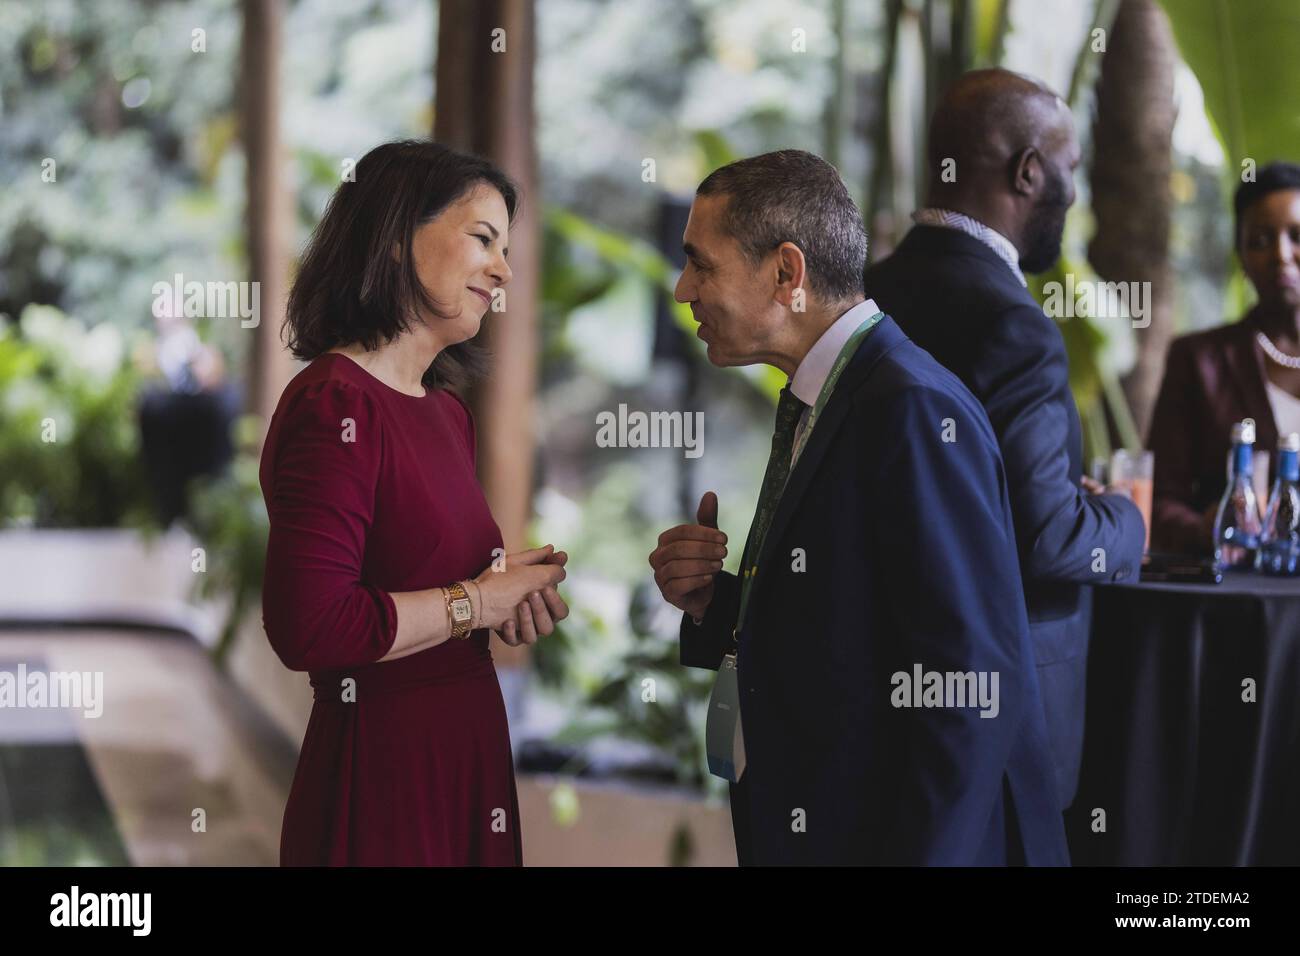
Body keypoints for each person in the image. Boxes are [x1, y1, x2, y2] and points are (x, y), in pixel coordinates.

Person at [648, 149, 1068, 865]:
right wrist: (710, 604)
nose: (683, 288)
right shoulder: (830, 392)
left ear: (787, 273)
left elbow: (966, 688)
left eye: (702, 264)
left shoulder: (910, 407)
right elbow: (847, 625)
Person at [259, 140, 569, 866]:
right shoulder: (335, 404)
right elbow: (310, 626)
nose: (504, 269)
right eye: (482, 239)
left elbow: (425, 583)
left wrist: (503, 593)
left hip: (466, 753)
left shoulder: (443, 411)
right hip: (382, 772)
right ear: (398, 239)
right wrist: (474, 603)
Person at [863, 69, 1146, 812]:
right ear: (1028, 172)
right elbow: (1048, 538)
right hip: (998, 728)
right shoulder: (1014, 328)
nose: (1075, 193)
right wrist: (1124, 517)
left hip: (871, 696)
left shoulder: (866, 295)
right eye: (1070, 169)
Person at [1148, 161, 1300, 554]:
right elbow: (1159, 500)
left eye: (1297, 236)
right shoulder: (1197, 360)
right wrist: (1211, 527)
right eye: (1260, 240)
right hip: (1237, 603)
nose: (1281, 255)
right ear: (1241, 258)